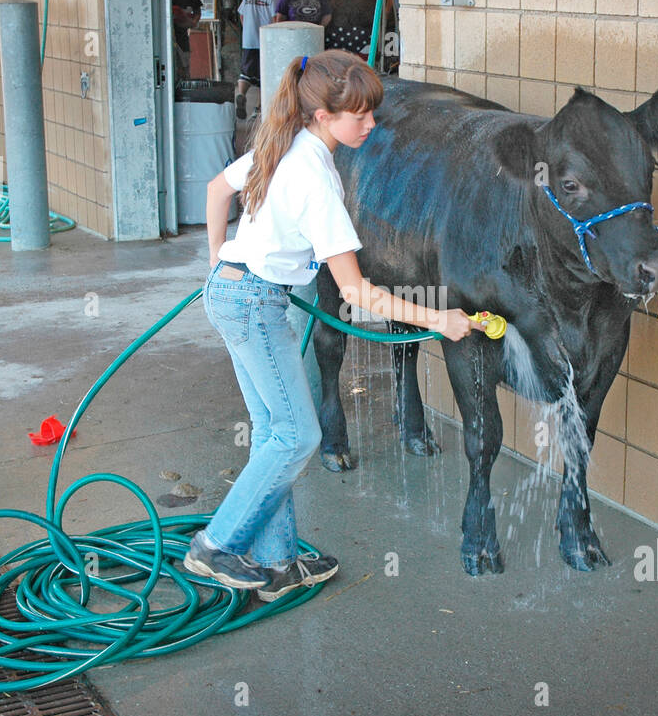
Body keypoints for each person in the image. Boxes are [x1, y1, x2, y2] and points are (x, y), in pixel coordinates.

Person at [190, 49, 482, 601]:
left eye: (372, 113)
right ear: (323, 115)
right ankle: (217, 544)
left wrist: (216, 260)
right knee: (299, 436)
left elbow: (215, 190)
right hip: (254, 303)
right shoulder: (313, 178)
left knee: (275, 434)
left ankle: (277, 562)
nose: (371, 124)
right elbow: (355, 291)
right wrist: (438, 319)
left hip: (235, 291)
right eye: (360, 116)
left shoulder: (284, 144)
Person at [234, 0, 284, 120]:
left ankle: (241, 94)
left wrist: (248, 30)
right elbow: (276, 18)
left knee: (246, 72)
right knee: (266, 76)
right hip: (266, 40)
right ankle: (258, 108)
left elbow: (242, 16)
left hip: (248, 40)